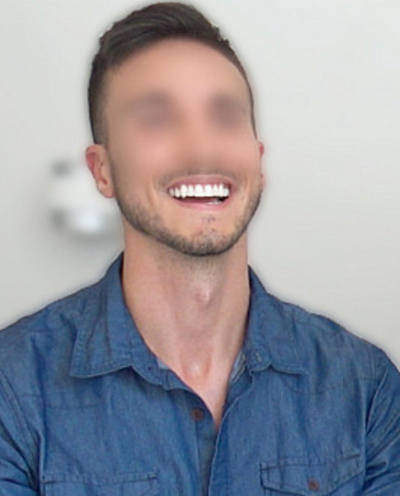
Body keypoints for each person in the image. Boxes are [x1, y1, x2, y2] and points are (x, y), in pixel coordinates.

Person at [0, 2, 399, 494]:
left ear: (258, 160)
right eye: (157, 119)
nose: (201, 149)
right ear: (102, 171)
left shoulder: (366, 389)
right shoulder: (13, 390)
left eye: (225, 117)